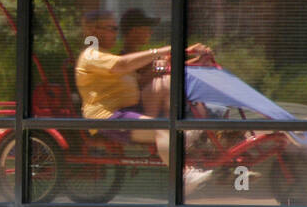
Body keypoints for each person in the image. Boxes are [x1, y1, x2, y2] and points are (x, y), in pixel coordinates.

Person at [75, 10, 215, 193]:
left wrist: (194, 58)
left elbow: (150, 71)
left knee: (166, 114)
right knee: (163, 128)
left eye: (116, 28)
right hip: (107, 117)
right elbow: (124, 65)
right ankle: (184, 176)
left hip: (127, 111)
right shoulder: (92, 55)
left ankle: (185, 137)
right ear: (94, 30)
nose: (116, 33)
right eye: (112, 28)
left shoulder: (107, 55)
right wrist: (165, 50)